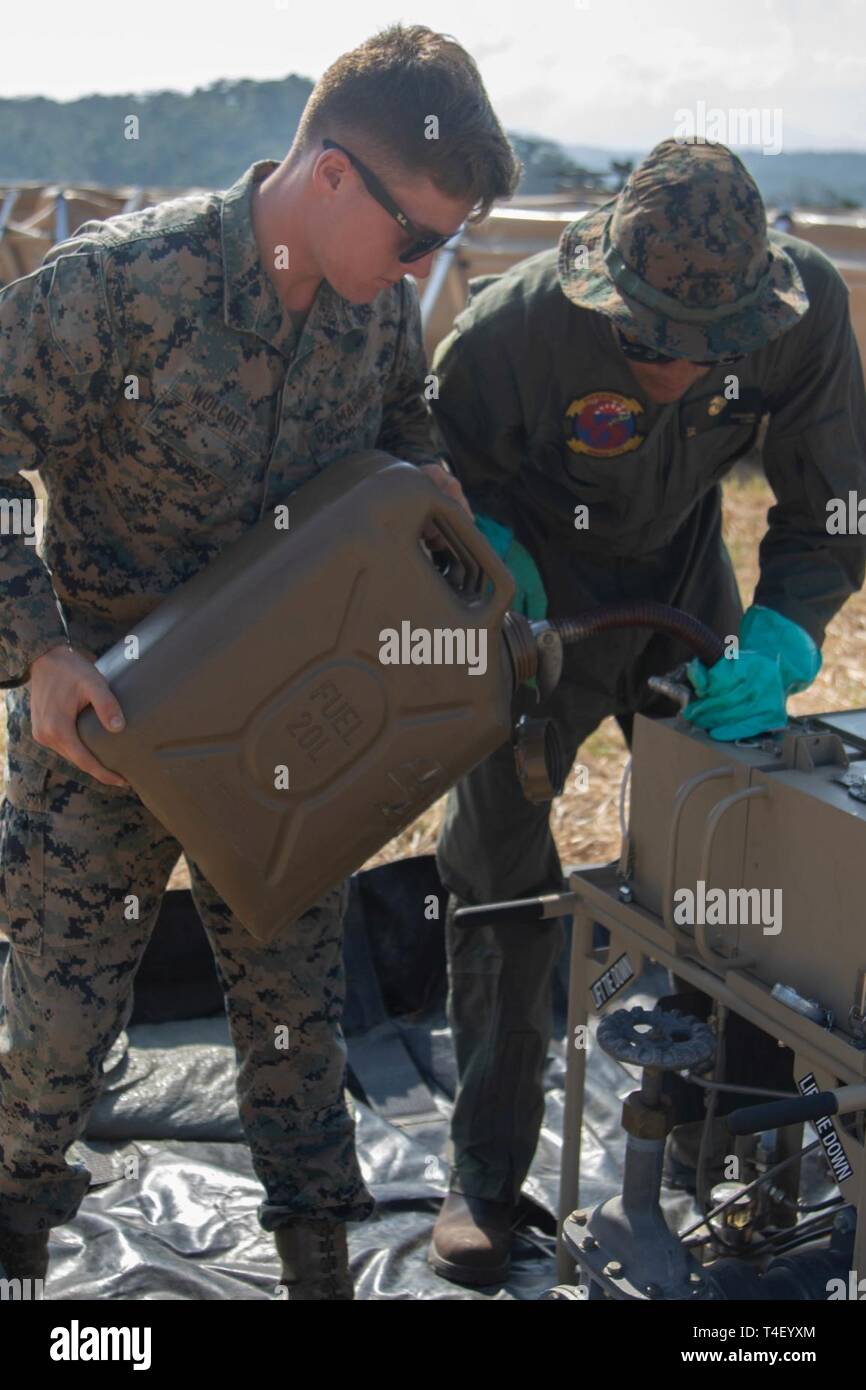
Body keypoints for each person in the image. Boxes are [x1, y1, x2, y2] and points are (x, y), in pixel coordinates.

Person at [0, 24, 518, 1300]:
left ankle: (318, 1262)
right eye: (415, 237)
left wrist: (426, 477)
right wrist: (42, 652)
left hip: (289, 741)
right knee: (58, 1038)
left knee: (296, 1027)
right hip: (110, 737)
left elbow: (405, 418)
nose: (424, 266)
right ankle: (13, 1219)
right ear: (331, 175)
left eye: (438, 248)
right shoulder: (122, 286)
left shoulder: (373, 306)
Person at [426, 137, 866, 1285]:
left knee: (735, 843)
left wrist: (781, 634)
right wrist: (486, 557)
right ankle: (482, 1174)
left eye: (703, 353)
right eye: (646, 345)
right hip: (530, 613)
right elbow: (425, 473)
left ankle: (713, 1135)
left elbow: (835, 504)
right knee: (500, 876)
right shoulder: (505, 334)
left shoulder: (805, 310)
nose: (673, 373)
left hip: (681, 592)